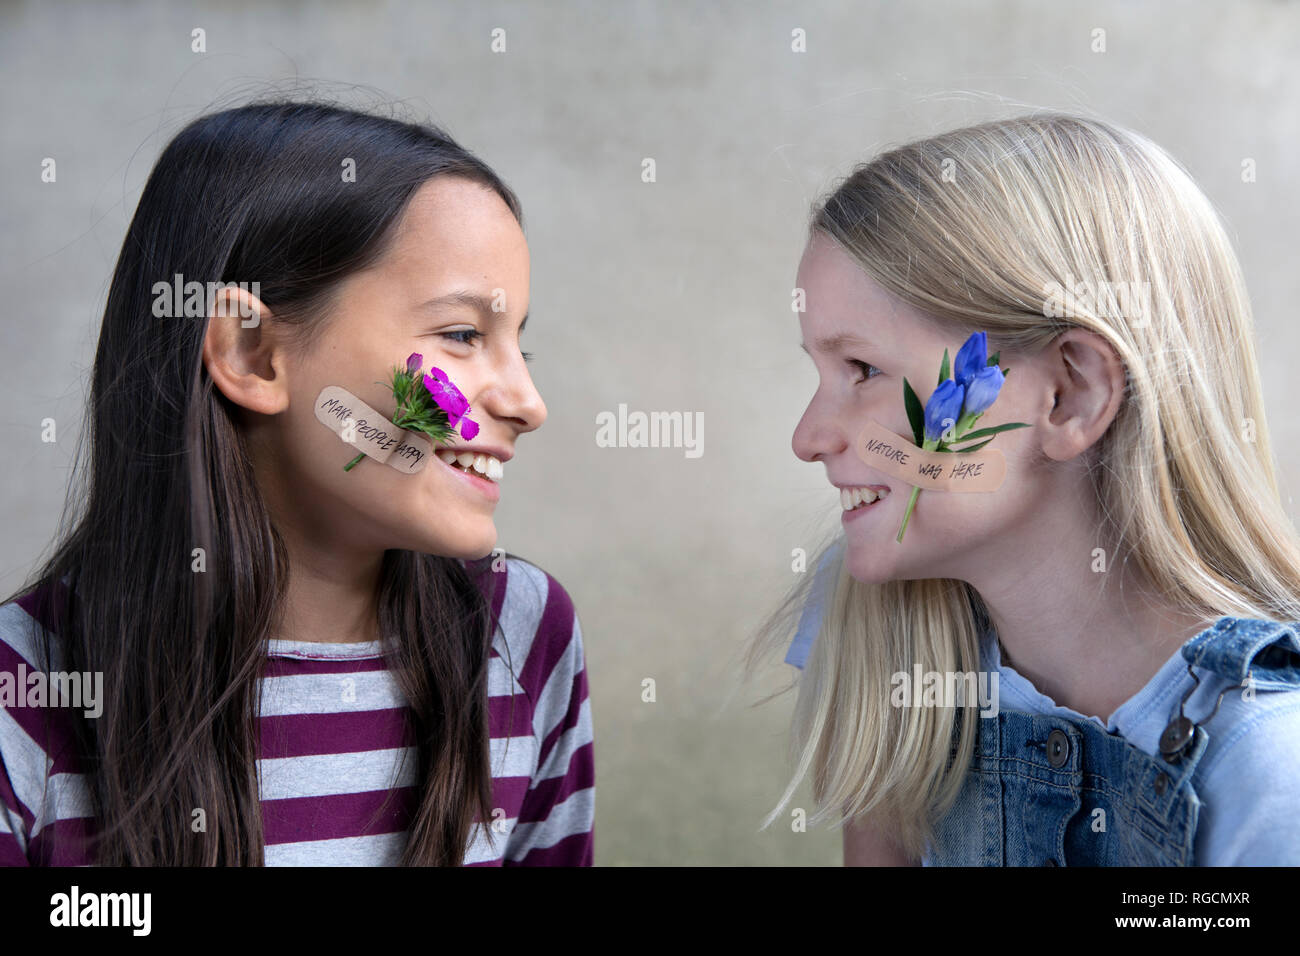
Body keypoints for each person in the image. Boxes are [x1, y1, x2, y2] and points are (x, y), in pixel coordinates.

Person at [0, 100, 594, 866]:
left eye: (520, 346)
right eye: (461, 336)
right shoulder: (28, 691)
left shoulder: (522, 637)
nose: (527, 404)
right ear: (251, 353)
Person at [747, 111, 1300, 866]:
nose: (808, 438)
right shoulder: (877, 628)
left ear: (1069, 394)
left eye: (864, 371)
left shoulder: (1271, 769)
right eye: (821, 373)